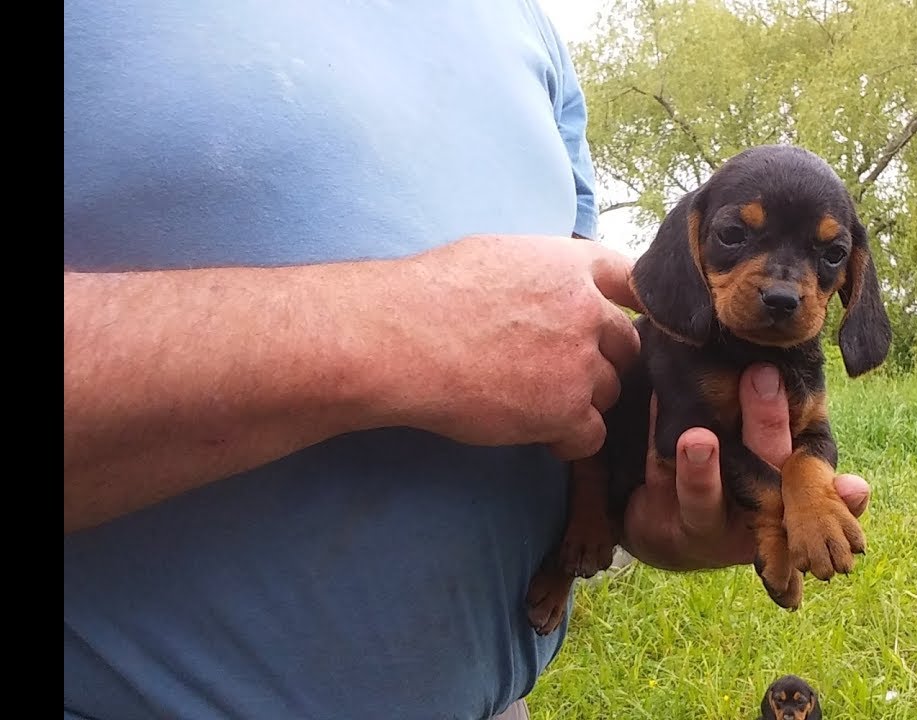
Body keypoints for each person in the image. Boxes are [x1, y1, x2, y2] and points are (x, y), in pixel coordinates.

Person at [63, 1, 872, 718]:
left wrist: (655, 527)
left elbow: (581, 348)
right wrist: (401, 330)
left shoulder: (531, 35)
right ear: (698, 236)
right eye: (738, 236)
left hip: (496, 700)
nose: (781, 285)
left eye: (825, 260)